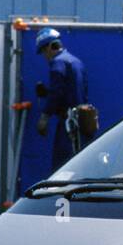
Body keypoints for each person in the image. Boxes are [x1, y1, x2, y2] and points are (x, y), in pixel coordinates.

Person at [35, 28, 93, 170]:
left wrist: (44, 116)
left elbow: (58, 92)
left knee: (62, 167)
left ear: (49, 47)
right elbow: (73, 91)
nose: (44, 56)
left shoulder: (58, 63)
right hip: (84, 122)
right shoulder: (76, 62)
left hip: (68, 124)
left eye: (43, 51)